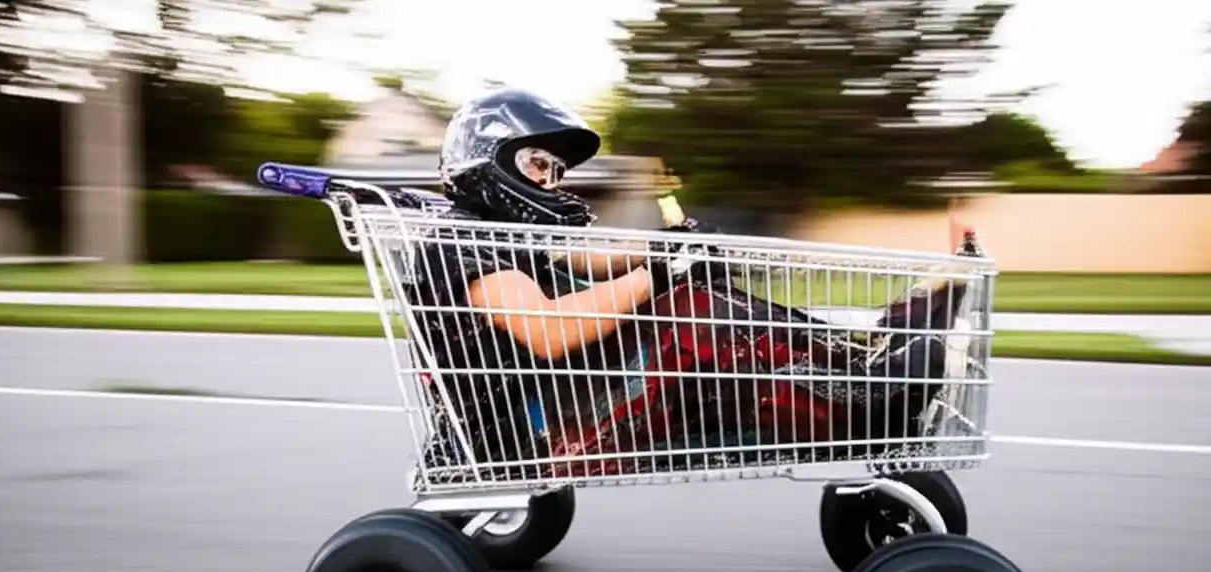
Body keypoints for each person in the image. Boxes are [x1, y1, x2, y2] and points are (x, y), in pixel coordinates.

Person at [390, 87, 975, 482]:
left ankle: (869, 361)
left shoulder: (505, 235)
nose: (550, 182)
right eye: (538, 164)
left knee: (692, 298)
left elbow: (593, 258)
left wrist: (669, 246)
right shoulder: (460, 246)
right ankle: (867, 402)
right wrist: (660, 273)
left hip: (558, 402)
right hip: (539, 429)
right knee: (690, 318)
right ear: (488, 161)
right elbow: (550, 331)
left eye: (556, 170)